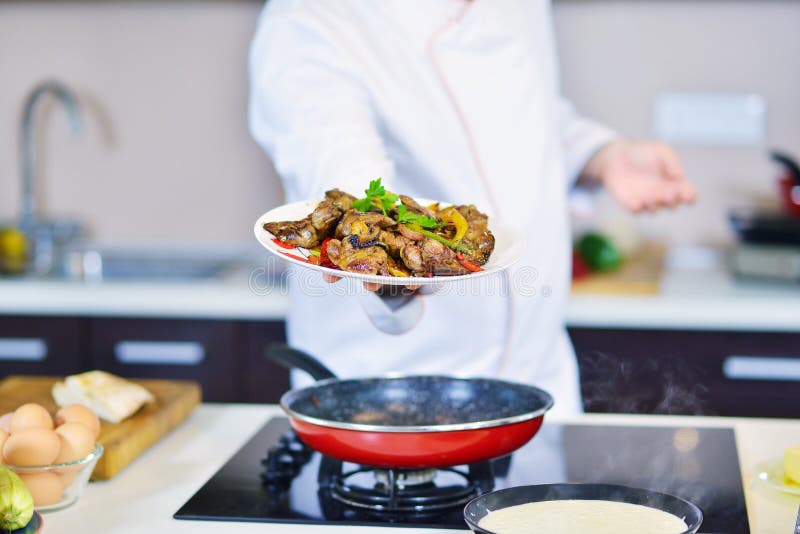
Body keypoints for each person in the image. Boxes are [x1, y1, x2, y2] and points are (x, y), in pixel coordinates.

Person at [248, 0, 696, 416]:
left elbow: (529, 118)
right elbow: (342, 173)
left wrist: (601, 155)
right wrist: (390, 268)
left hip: (539, 384)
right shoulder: (309, 19)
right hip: (387, 394)